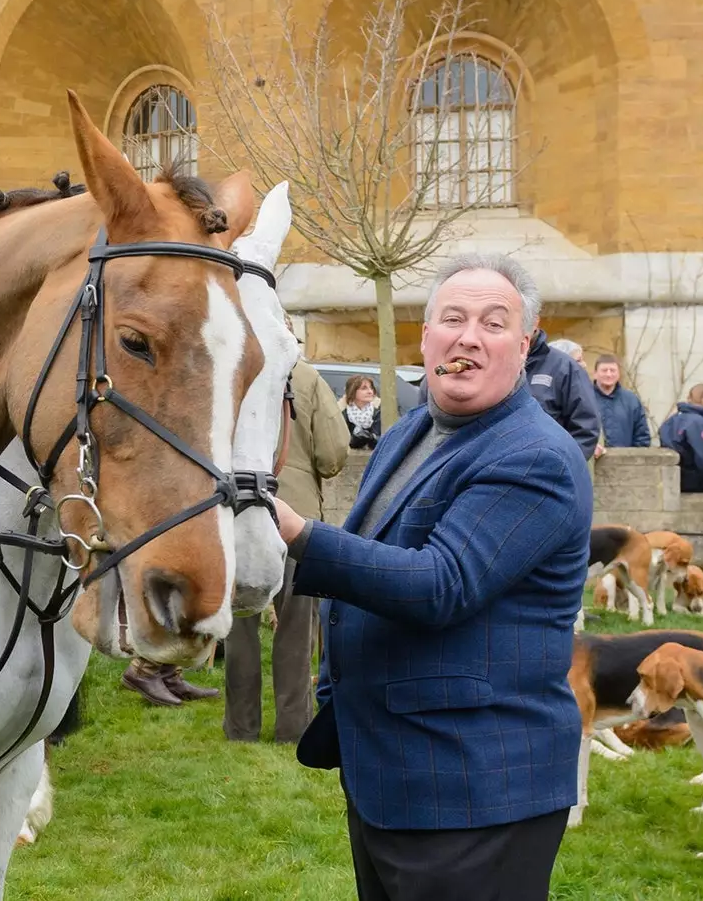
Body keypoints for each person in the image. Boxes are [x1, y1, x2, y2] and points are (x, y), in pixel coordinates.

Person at [277, 252, 591, 901]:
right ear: (427, 338)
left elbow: (439, 583)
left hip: (477, 791)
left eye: (493, 322)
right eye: (452, 318)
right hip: (393, 772)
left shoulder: (538, 457)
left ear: (525, 346)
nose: (468, 335)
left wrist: (298, 535)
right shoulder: (414, 429)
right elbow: (377, 548)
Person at [224, 357, 349, 743]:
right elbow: (333, 454)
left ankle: (241, 728)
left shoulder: (230, 366)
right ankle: (293, 727)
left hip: (235, 508)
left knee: (239, 625)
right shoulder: (306, 377)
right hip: (293, 512)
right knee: (297, 628)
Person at [525, 328, 600, 465]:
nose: (583, 364)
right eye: (579, 360)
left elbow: (586, 427)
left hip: (551, 471)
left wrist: (560, 468)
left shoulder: (567, 370)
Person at [659, 384, 703, 494]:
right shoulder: (697, 422)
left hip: (673, 480)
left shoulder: (674, 419)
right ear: (698, 401)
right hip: (692, 481)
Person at [591, 354, 650, 453]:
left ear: (619, 374)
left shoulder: (631, 400)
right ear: (595, 374)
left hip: (625, 463)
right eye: (604, 370)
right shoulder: (585, 398)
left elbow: (642, 436)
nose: (609, 374)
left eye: (612, 370)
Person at [340, 374, 382, 450]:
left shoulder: (379, 412)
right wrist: (353, 441)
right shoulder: (342, 413)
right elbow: (338, 441)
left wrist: (372, 438)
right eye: (364, 388)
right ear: (352, 391)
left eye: (371, 388)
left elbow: (384, 441)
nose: (370, 392)